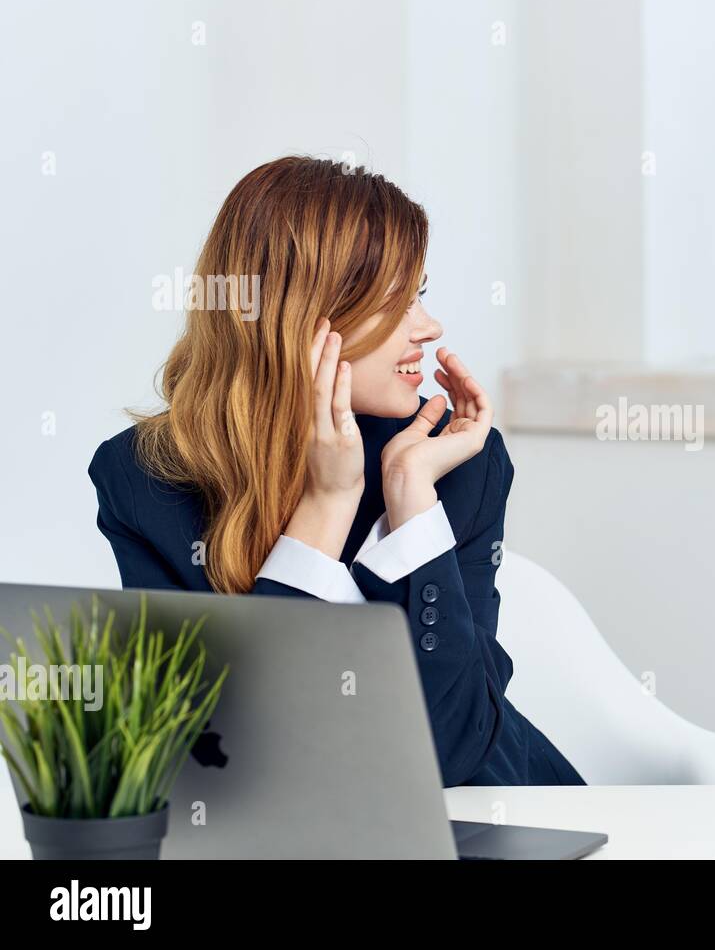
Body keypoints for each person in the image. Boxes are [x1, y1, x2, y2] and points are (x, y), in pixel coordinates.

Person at [89, 156, 582, 787]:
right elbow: (225, 753)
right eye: (396, 301)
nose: (428, 328)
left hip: (491, 818)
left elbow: (453, 750)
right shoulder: (143, 481)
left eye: (420, 294)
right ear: (305, 317)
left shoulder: (455, 463)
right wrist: (326, 504)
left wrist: (411, 498)